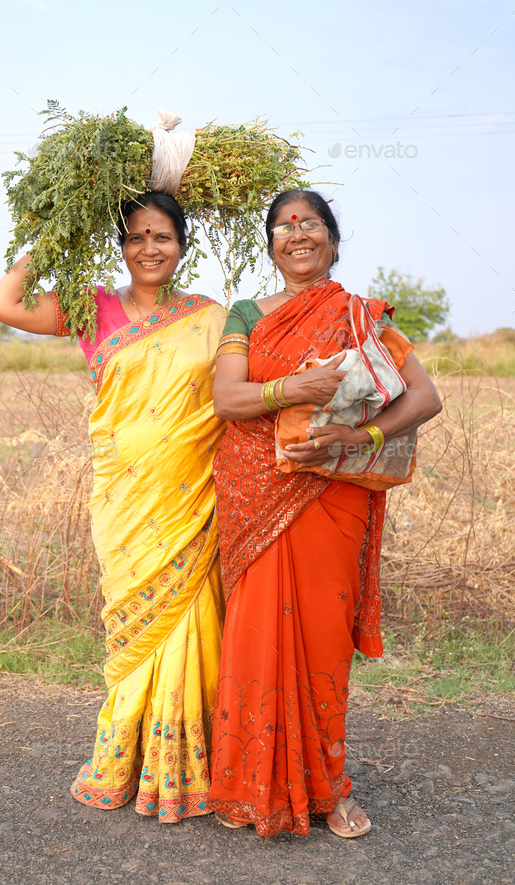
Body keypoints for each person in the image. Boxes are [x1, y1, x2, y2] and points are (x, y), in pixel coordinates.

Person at [208, 189, 442, 838]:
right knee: (256, 642)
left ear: (334, 242)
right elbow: (229, 397)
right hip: (257, 497)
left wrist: (357, 438)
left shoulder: (362, 317)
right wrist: (296, 389)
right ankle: (253, 785)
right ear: (272, 246)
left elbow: (425, 395)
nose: (298, 233)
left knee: (323, 644)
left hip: (332, 496)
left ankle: (330, 786)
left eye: (311, 222)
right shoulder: (247, 313)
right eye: (284, 226)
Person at [0, 192, 226, 822]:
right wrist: (59, 225)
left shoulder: (211, 316)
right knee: (137, 626)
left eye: (164, 237)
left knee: (189, 622)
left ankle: (189, 766)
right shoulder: (92, 307)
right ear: (121, 245)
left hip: (191, 497)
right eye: (137, 237)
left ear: (183, 246)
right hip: (122, 500)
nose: (151, 248)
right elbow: (1, 303)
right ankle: (125, 759)